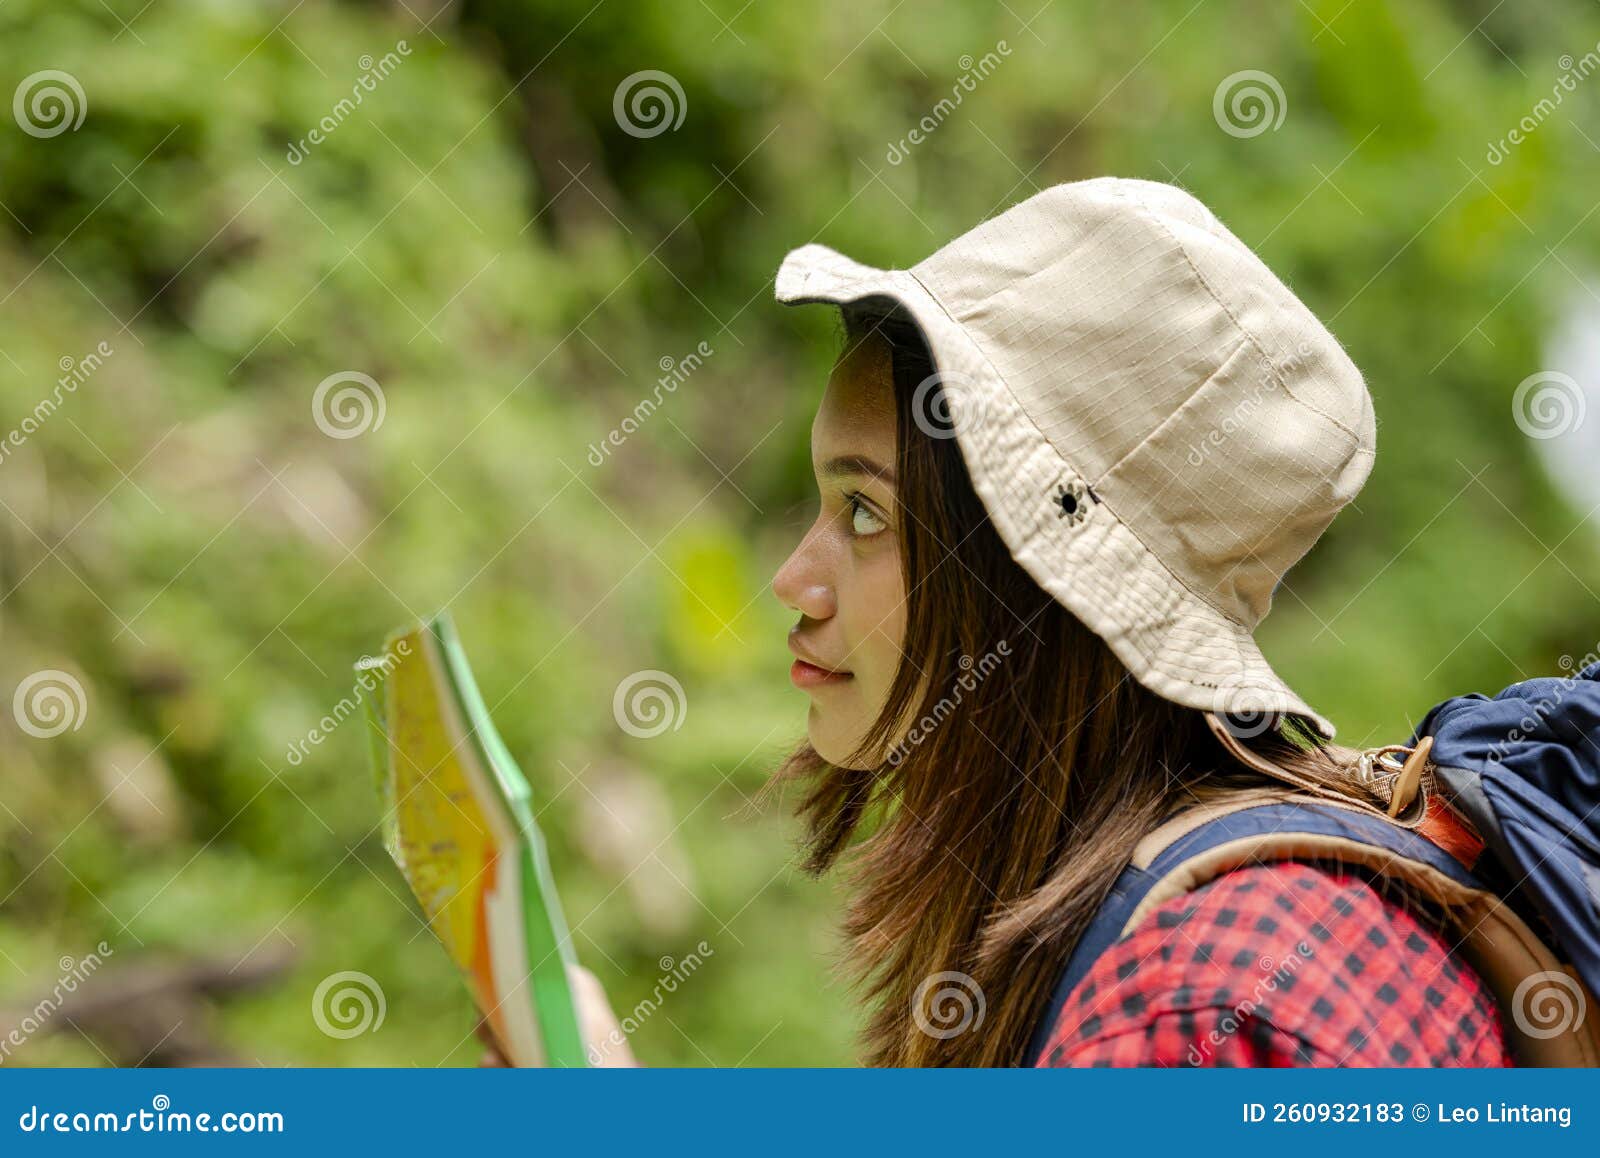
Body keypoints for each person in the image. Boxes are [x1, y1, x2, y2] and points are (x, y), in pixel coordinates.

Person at [498, 178, 1511, 1068]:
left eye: (865, 514)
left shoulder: (1199, 1007)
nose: (793, 581)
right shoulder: (1195, 908)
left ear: (1035, 585)